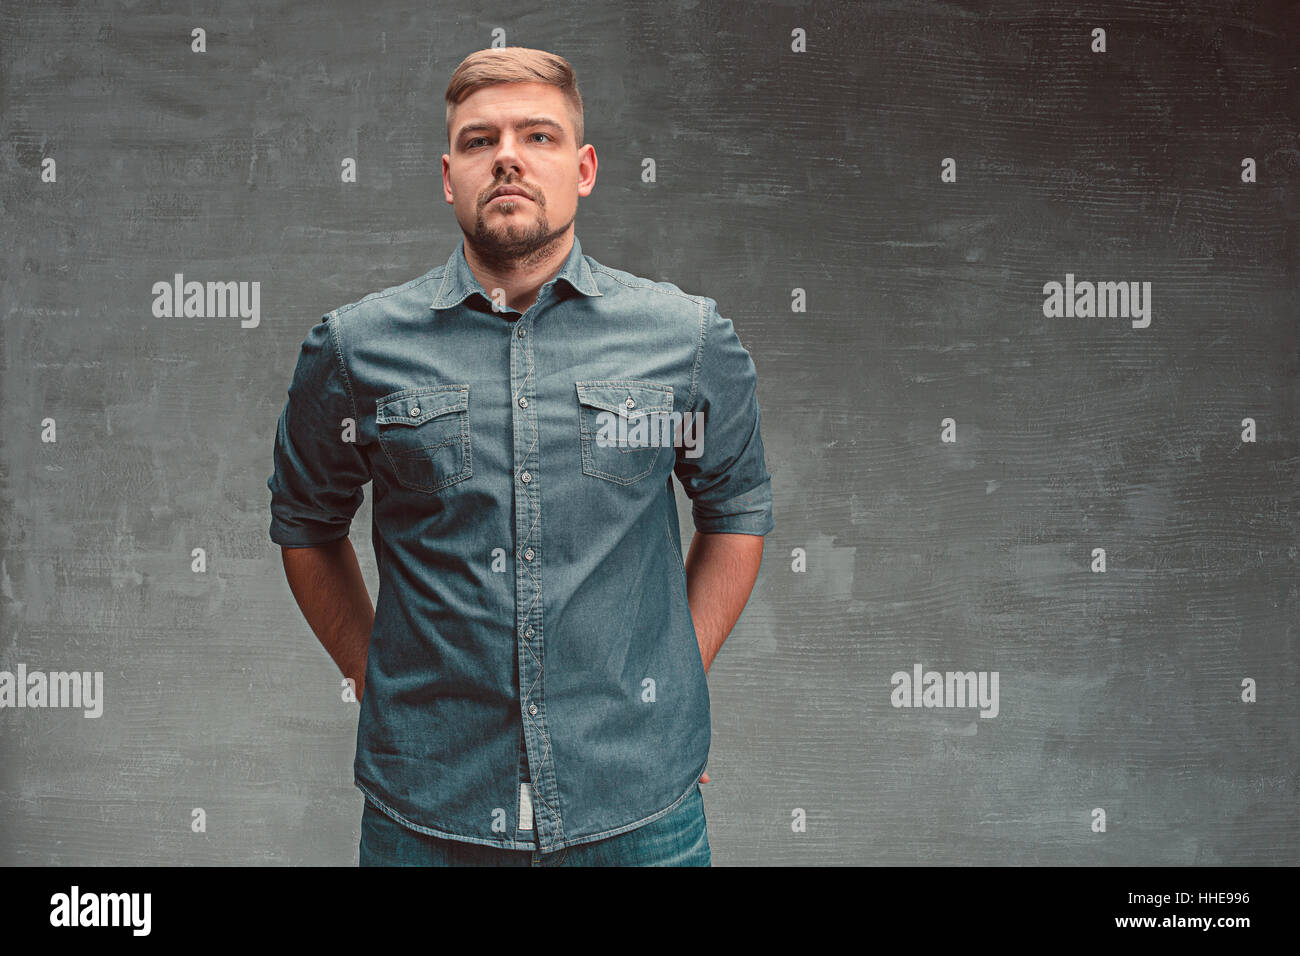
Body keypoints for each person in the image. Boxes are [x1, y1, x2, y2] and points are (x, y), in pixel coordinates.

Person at [267, 46, 774, 866]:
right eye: (478, 141)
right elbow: (304, 524)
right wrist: (379, 676)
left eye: (537, 136)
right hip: (429, 814)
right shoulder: (355, 349)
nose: (506, 156)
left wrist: (667, 684)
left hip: (639, 810)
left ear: (584, 168)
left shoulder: (686, 339)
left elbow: (737, 512)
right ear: (447, 176)